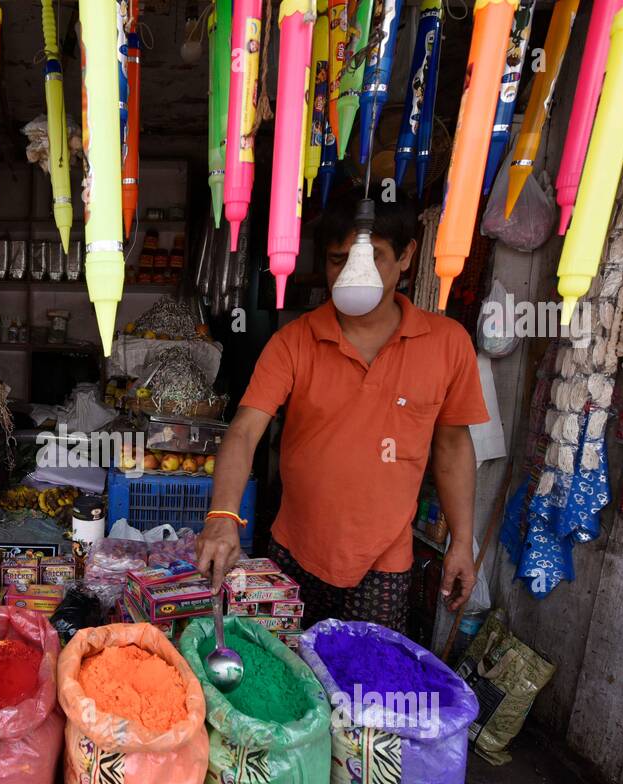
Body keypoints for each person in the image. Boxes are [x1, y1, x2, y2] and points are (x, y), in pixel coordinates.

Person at [195, 191, 489, 633]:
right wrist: (222, 518)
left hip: (385, 563)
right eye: (338, 260)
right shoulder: (294, 341)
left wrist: (462, 543)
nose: (354, 276)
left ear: (407, 256)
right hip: (294, 550)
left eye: (372, 260)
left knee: (362, 689)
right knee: (285, 677)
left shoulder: (448, 344)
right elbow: (244, 430)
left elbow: (452, 445)